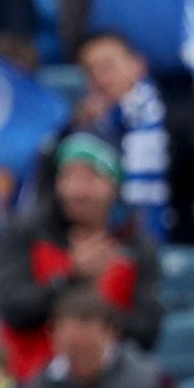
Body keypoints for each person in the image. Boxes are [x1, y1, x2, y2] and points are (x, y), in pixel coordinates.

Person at [0, 134, 163, 381]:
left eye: (91, 177)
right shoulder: (25, 232)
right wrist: (71, 274)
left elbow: (148, 331)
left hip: (112, 385)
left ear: (114, 185)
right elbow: (14, 310)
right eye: (68, 176)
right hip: (29, 378)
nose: (77, 190)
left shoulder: (137, 246)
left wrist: (94, 324)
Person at [72, 31, 173, 244]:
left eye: (107, 66)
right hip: (108, 245)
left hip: (173, 236)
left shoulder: (172, 116)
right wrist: (82, 127)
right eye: (91, 71)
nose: (100, 78)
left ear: (138, 65)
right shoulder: (81, 134)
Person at [24, 290, 168, 388]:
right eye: (73, 348)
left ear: (111, 334)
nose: (81, 358)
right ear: (54, 336)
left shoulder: (153, 384)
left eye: (89, 349)